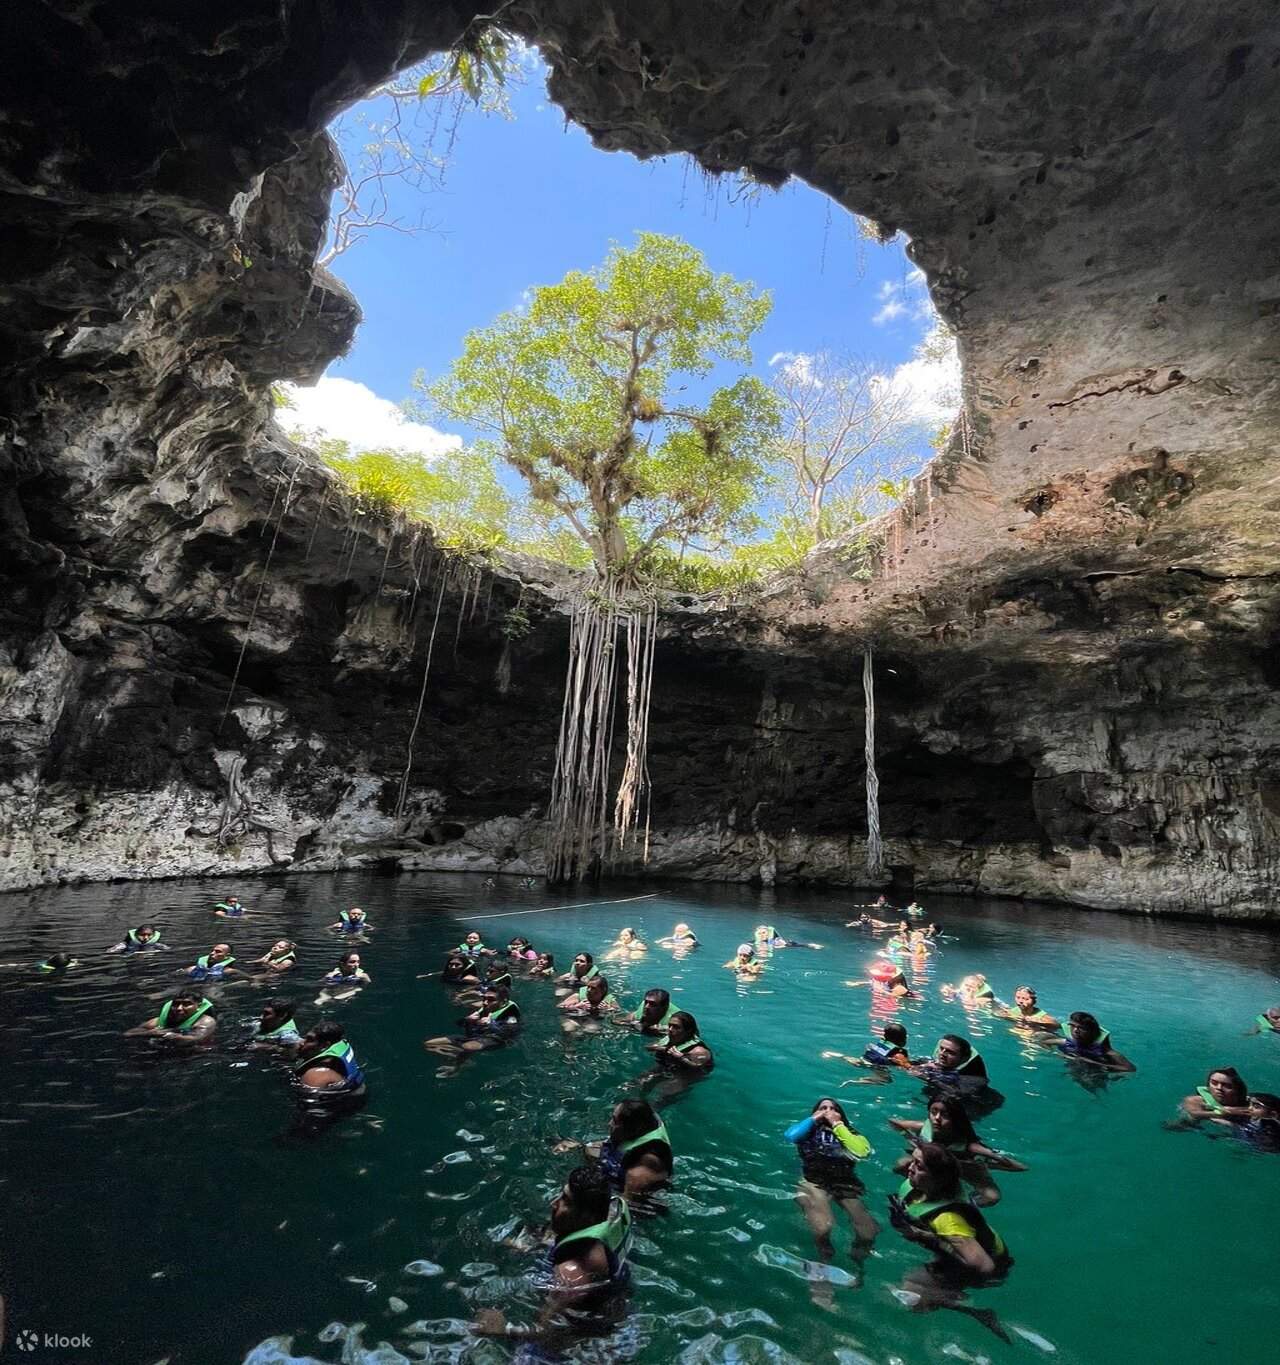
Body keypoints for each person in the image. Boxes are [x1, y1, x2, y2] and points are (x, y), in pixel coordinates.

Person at [472, 1164, 632, 1349]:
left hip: (584, 1347)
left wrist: (502, 1328)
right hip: (621, 1319)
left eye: (566, 1201)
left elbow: (545, 1333)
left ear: (587, 1216)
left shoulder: (572, 1273)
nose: (554, 1203)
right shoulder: (609, 1224)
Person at [887, 1143, 1012, 1340]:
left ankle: (979, 1312)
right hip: (965, 1244)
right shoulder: (921, 1188)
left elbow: (984, 1265)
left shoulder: (946, 1219)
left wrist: (925, 1237)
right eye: (913, 1161)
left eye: (919, 1166)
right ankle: (964, 1304)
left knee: (909, 1294)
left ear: (936, 1178)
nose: (910, 1167)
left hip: (987, 1262)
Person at [785, 1097, 878, 1267]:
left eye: (833, 1108)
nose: (828, 1111)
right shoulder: (806, 1132)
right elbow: (790, 1136)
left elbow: (861, 1152)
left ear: (841, 1116)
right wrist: (814, 1119)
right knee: (823, 1227)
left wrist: (837, 1125)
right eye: (823, 1108)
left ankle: (857, 1262)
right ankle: (823, 1261)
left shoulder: (851, 1134)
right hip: (813, 1180)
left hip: (845, 1183)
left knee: (868, 1231)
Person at [889, 1095, 1027, 1206]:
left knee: (992, 1197)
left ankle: (959, 1205)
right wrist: (913, 1141)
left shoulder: (969, 1145)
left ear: (955, 1118)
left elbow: (1019, 1167)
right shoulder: (924, 1128)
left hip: (963, 1168)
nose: (937, 1118)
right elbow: (894, 1123)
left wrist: (987, 1162)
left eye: (944, 1114)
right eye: (933, 1112)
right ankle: (918, 1189)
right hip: (934, 1166)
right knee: (901, 1164)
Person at [557, 1100, 673, 1198]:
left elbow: (628, 1203)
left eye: (615, 1121)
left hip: (633, 1199)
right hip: (620, 1168)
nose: (609, 1123)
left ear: (633, 1128)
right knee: (586, 1150)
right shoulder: (644, 1124)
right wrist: (581, 1147)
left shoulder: (646, 1163)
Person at [424, 983, 522, 1060]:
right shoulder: (483, 1010)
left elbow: (510, 1034)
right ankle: (461, 1058)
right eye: (484, 998)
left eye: (491, 1000)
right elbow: (458, 1024)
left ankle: (460, 1061)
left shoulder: (510, 1015)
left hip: (493, 1040)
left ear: (503, 1001)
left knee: (468, 1046)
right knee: (429, 1044)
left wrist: (491, 1024)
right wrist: (467, 1019)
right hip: (473, 1037)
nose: (485, 1002)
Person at [294, 1020, 366, 1094]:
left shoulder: (316, 1075)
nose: (301, 1043)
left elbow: (309, 1102)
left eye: (309, 1040)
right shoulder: (335, 1058)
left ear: (325, 1045)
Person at [1049, 1011, 1135, 1071]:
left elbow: (1130, 1069)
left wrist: (1094, 1063)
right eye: (1072, 1026)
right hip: (1072, 1062)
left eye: (1081, 1028)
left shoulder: (1106, 1051)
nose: (1075, 1030)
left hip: (1093, 1070)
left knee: (1087, 1078)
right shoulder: (1067, 1041)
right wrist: (1057, 1053)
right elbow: (1041, 1042)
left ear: (1091, 1031)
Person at [126, 991, 216, 1046]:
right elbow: (128, 1033)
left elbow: (197, 1038)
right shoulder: (158, 1021)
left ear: (198, 1006)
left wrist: (171, 1035)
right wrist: (148, 1033)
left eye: (186, 1004)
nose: (179, 1008)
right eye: (176, 1004)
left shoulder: (206, 1021)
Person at [823, 1022, 913, 1074]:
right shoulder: (899, 1054)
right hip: (877, 1066)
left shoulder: (882, 1043)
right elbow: (906, 1066)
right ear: (902, 1040)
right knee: (885, 1080)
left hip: (866, 1058)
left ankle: (836, 1055)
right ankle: (859, 1081)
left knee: (850, 1060)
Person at [1178, 1067, 1251, 1125]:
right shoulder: (1195, 1100)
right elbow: (1194, 1114)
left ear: (1237, 1089)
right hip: (1193, 1128)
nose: (1219, 1088)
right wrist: (1223, 1113)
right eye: (1214, 1083)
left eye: (1227, 1086)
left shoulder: (1250, 1104)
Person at [647, 1011, 713, 1073]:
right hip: (665, 1066)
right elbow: (647, 1047)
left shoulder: (699, 1051)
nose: (670, 1029)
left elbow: (701, 1069)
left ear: (688, 1031)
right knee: (641, 1081)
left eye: (676, 1027)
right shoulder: (668, 1039)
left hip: (684, 1075)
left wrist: (682, 1058)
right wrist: (664, 1049)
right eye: (670, 1025)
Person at [913, 1035, 988, 1082]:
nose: (942, 1053)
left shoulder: (968, 1080)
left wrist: (923, 1075)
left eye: (950, 1052)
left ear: (964, 1059)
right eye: (941, 1048)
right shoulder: (927, 1062)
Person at [993, 984, 1059, 1032]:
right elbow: (996, 1013)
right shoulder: (1013, 1011)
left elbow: (1057, 1025)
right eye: (1018, 997)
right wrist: (1010, 1017)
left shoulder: (1039, 1014)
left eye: (1025, 999)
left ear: (1033, 1001)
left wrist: (1037, 1021)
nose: (1021, 1001)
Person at [846, 960, 916, 997]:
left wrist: (881, 991)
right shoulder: (886, 981)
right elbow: (872, 982)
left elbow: (894, 996)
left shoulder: (899, 988)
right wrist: (858, 983)